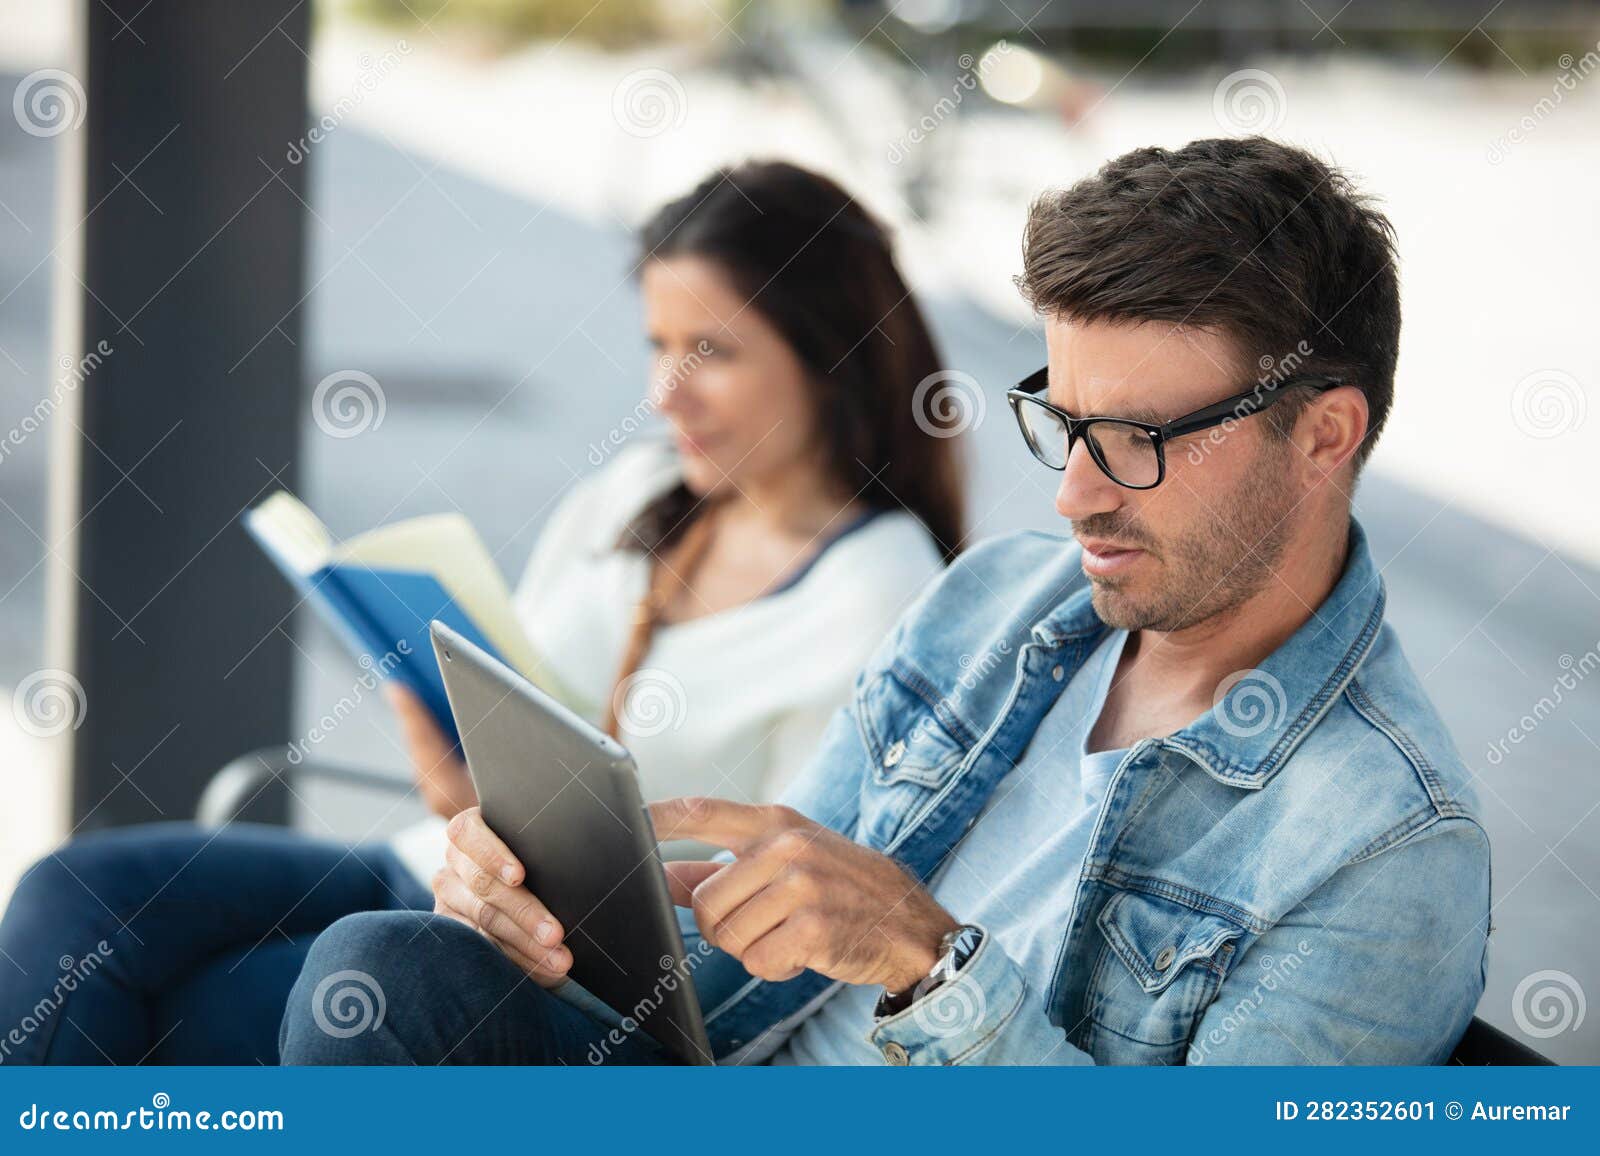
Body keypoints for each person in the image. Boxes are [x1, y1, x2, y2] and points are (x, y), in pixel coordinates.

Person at [281, 137, 1491, 1067]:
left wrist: (930, 962)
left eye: (1132, 438)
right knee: (388, 968)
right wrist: (545, 910)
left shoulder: (1384, 845)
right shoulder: (998, 608)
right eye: (1063, 423)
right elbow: (739, 953)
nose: (1071, 496)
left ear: (1323, 433)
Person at [0, 161, 964, 1065]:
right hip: (434, 872)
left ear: (829, 356)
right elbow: (522, 710)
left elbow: (787, 916)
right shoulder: (638, 494)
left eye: (710, 351)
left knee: (187, 1009)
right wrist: (453, 776)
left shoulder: (881, 597)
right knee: (72, 899)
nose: (665, 393)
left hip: (552, 973)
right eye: (659, 345)